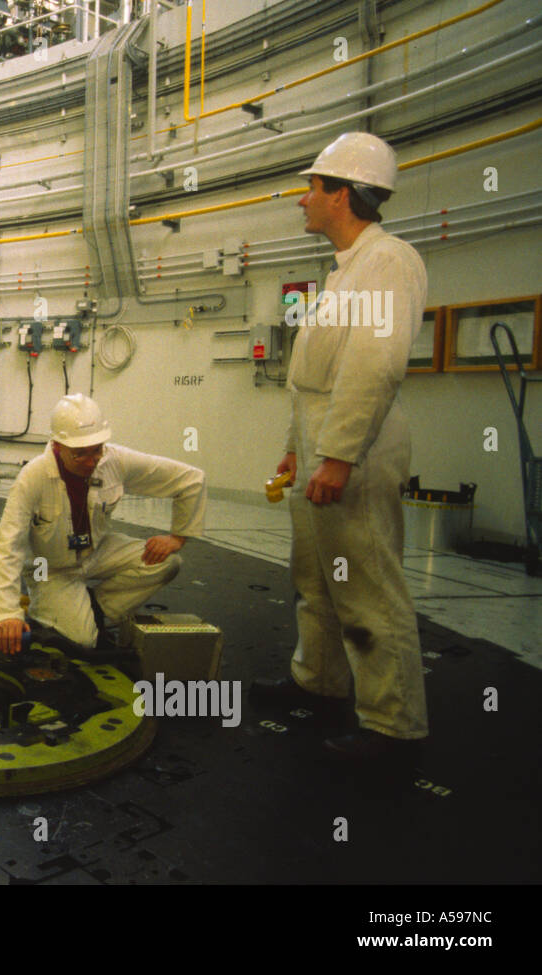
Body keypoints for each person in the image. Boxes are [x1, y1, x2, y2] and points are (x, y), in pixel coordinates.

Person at [253, 131, 429, 761]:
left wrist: (339, 455)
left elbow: (374, 366)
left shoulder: (389, 261)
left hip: (357, 446)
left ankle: (392, 723)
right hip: (323, 439)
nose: (303, 200)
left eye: (313, 187)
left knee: (367, 585)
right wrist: (297, 448)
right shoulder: (345, 272)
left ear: (344, 194)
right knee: (317, 580)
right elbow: (312, 380)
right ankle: (320, 682)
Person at [0, 394, 205, 656]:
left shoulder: (114, 460)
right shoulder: (33, 477)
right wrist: (7, 614)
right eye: (80, 454)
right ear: (58, 446)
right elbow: (7, 543)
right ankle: (59, 609)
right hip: (49, 568)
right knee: (83, 640)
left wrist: (178, 537)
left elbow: (191, 479)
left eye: (97, 450)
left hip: (97, 551)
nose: (92, 461)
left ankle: (94, 607)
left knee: (168, 562)